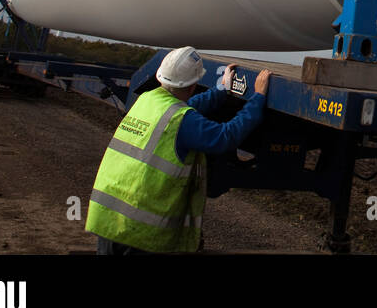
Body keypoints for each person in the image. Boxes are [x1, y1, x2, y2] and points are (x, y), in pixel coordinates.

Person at [86, 46, 272, 254]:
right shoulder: (181, 120)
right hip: (138, 231)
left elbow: (185, 107)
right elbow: (224, 137)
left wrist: (220, 91)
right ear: (193, 85)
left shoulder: (147, 100)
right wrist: (257, 98)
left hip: (110, 217)